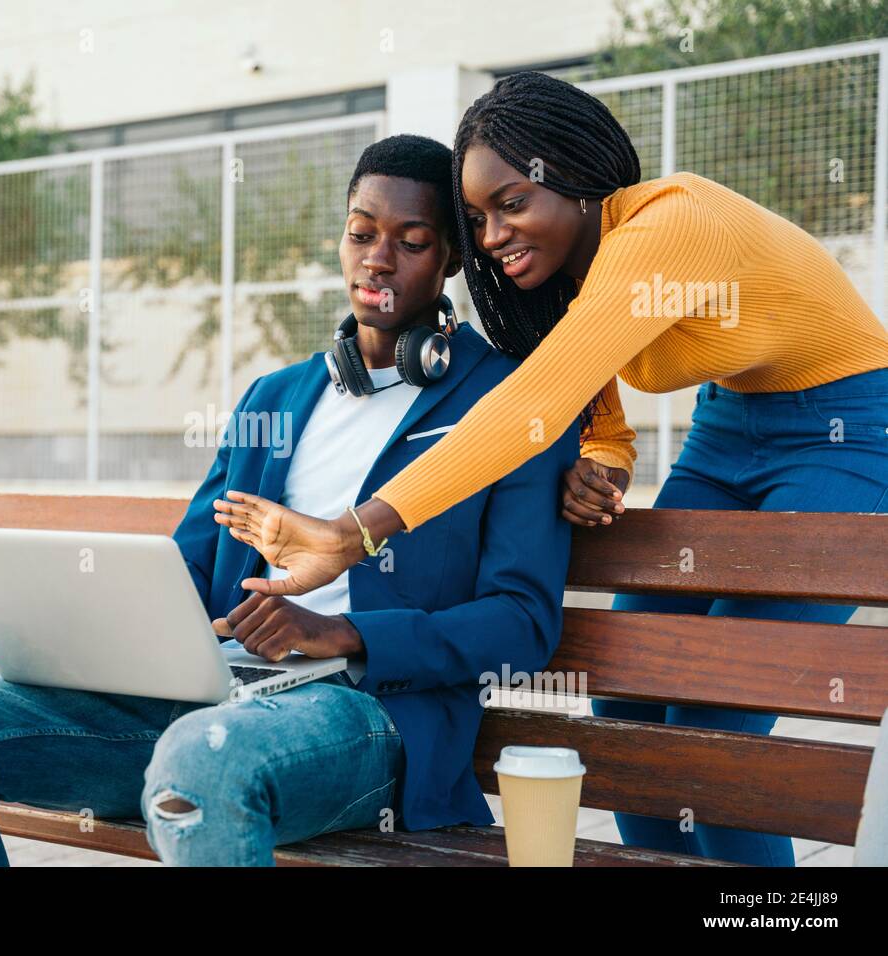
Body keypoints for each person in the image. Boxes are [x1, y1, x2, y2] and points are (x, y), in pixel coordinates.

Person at [213, 71, 888, 867]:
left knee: (719, 707)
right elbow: (594, 413)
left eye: (511, 204)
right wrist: (600, 463)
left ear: (573, 177)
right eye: (477, 219)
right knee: (628, 695)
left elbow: (532, 399)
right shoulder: (578, 275)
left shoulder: (669, 228)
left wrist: (356, 532)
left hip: (851, 430)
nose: (493, 236)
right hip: (726, 424)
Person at [0, 133, 579, 865]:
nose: (378, 259)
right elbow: (190, 569)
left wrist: (348, 635)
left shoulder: (507, 405)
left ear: (452, 259)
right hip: (204, 703)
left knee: (203, 760)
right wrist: (89, 624)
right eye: (361, 233)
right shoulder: (274, 399)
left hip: (372, 717)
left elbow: (522, 622)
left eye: (412, 241)